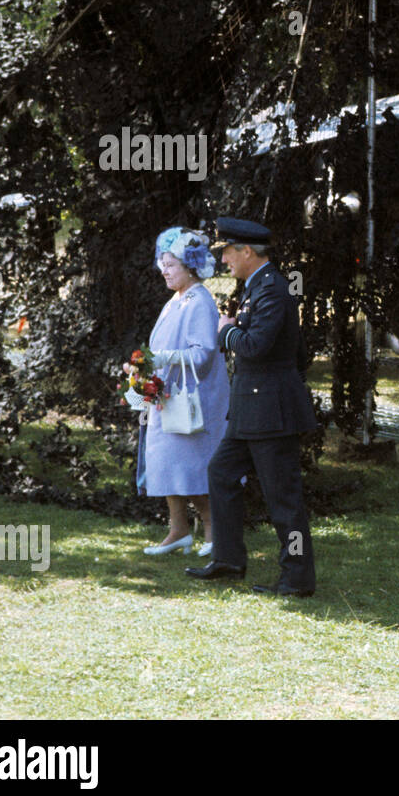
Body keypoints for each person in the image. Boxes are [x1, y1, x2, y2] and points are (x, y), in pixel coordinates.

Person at [185, 217, 318, 597]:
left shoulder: (272, 289)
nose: (224, 259)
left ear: (246, 251)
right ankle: (228, 559)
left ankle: (297, 577)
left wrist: (225, 330)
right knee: (222, 473)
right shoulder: (256, 287)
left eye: (227, 251)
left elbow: (256, 346)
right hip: (251, 410)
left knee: (284, 500)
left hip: (270, 413)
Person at [135, 228, 229, 557]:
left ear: (190, 266)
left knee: (190, 468)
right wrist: (144, 369)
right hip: (169, 397)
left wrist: (163, 360)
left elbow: (202, 354)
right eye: (162, 263)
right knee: (165, 464)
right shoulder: (176, 300)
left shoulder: (200, 301)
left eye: (171, 264)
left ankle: (215, 533)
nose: (164, 270)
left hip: (194, 401)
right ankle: (178, 531)